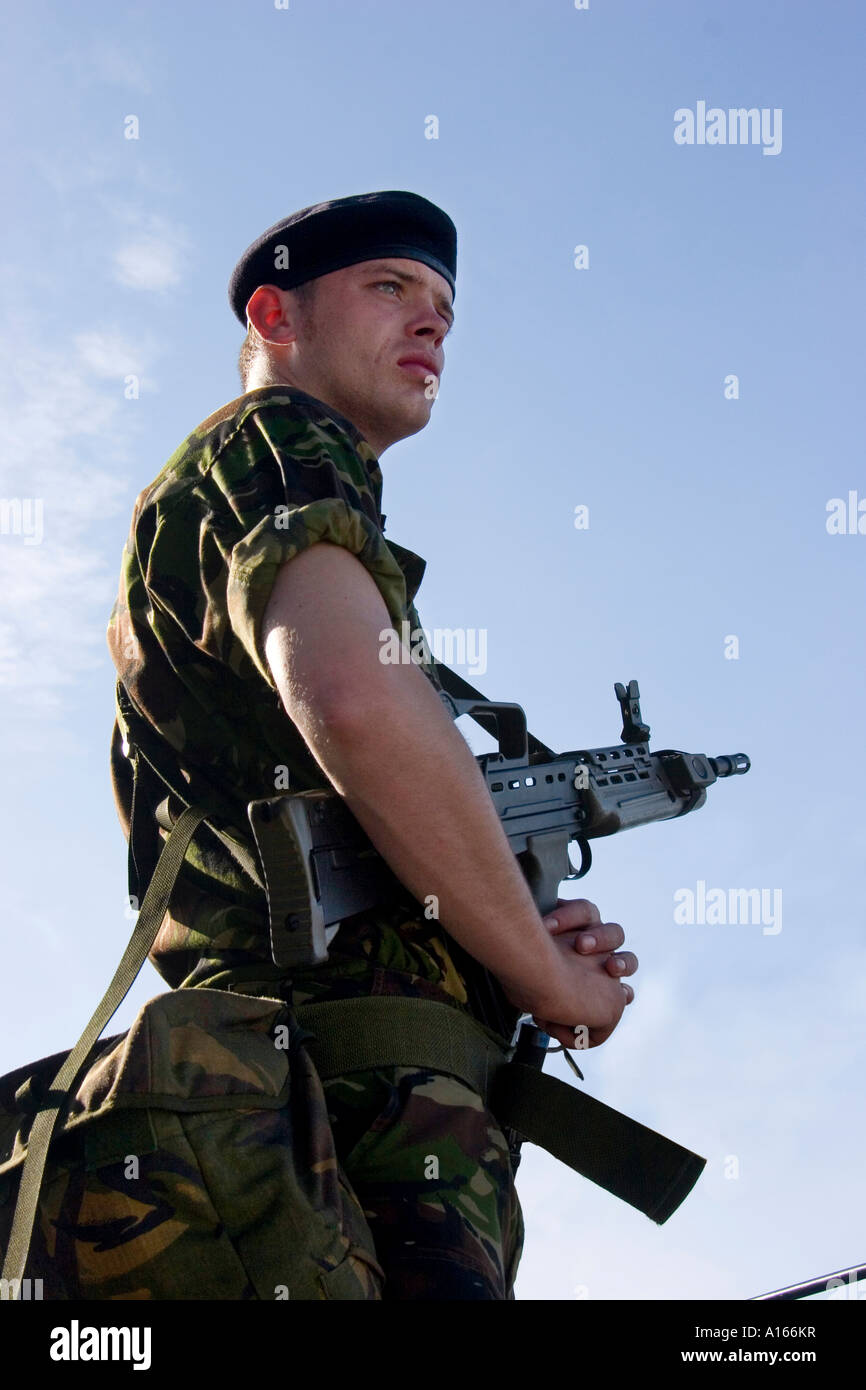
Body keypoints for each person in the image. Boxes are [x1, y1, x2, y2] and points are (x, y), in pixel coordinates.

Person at [105, 190, 638, 1300]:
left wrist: (495, 931)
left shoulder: (229, 497)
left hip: (301, 1103)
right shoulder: (280, 440)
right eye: (390, 288)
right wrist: (545, 973)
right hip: (348, 1099)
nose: (432, 324)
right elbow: (353, 699)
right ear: (275, 314)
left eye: (444, 307)